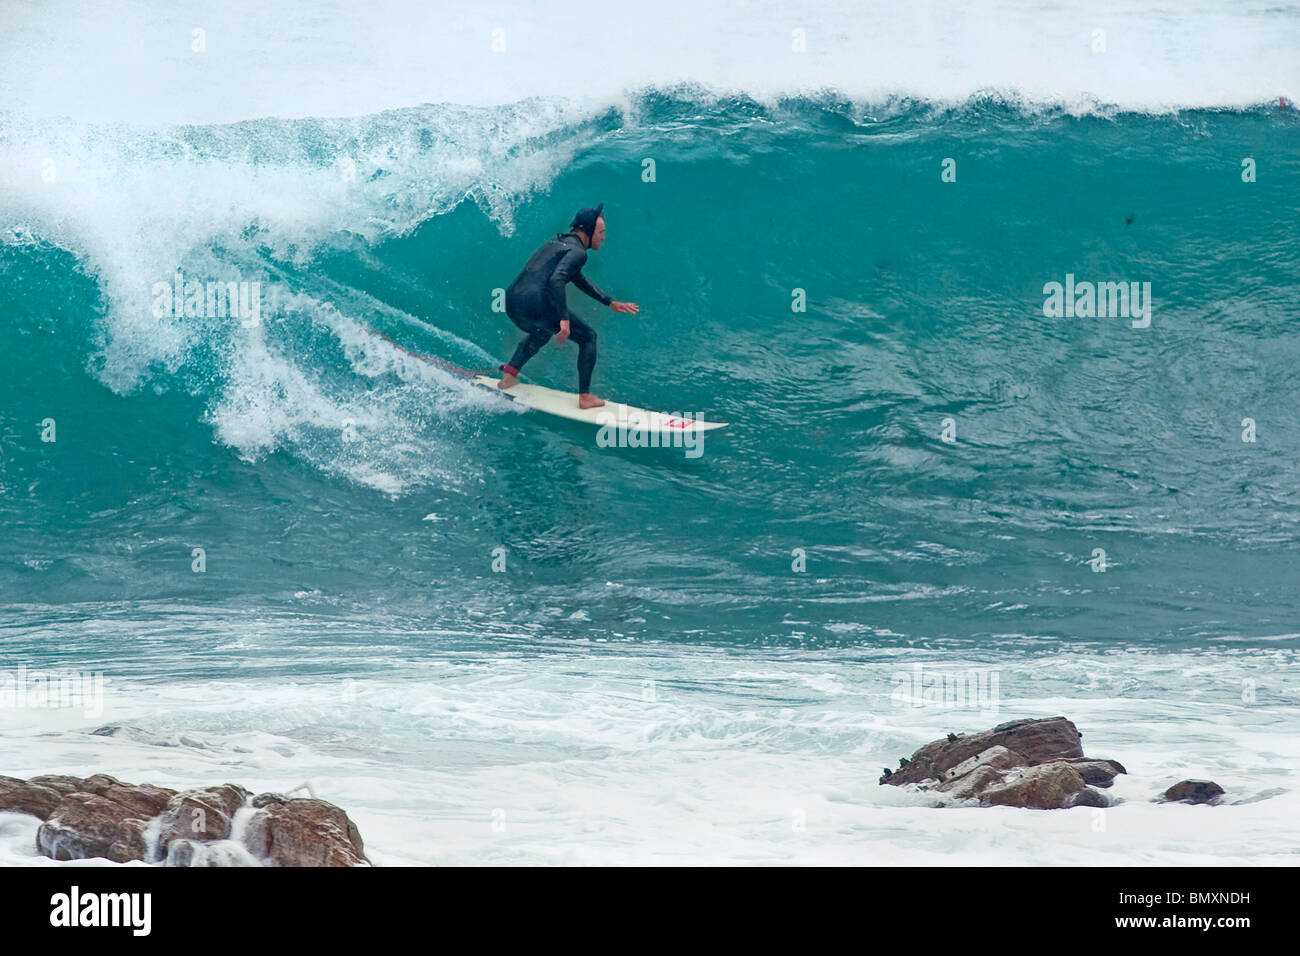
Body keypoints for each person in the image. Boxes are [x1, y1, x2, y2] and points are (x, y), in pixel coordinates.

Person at [497, 204, 639, 408]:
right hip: (536, 302)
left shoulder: (558, 242)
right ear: (588, 231)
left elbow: (575, 277)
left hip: (512, 301)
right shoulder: (579, 253)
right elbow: (557, 279)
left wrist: (609, 302)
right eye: (601, 232)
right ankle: (585, 397)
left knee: (540, 333)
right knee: (588, 337)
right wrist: (563, 318)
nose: (603, 237)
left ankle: (509, 376)